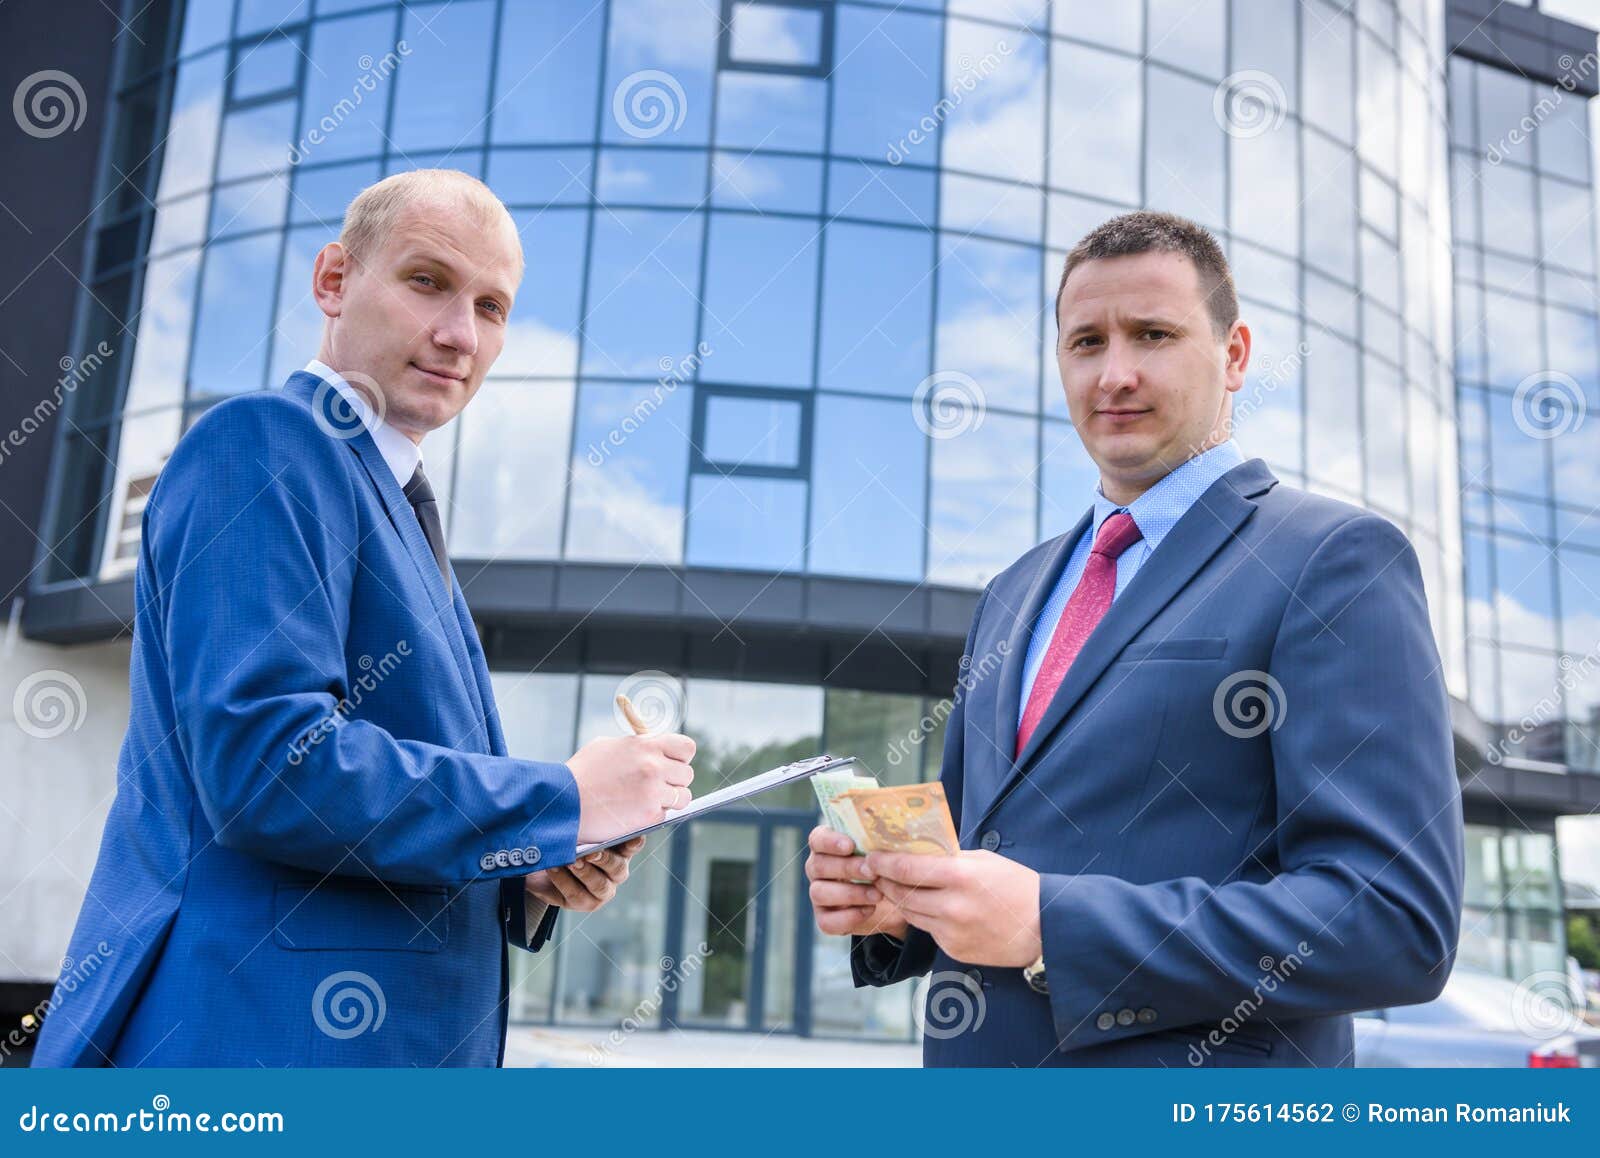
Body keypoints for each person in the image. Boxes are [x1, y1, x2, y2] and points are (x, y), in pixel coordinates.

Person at [32, 170, 692, 1067]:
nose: (461, 335)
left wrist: (535, 860)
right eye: (428, 282)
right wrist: (560, 797)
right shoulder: (266, 443)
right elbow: (270, 766)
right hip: (251, 1046)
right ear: (334, 282)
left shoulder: (393, 504)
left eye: (492, 308)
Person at [806, 210, 1464, 1067]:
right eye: (1086, 343)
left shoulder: (1333, 561)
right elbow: (992, 861)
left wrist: (1055, 924)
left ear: (1233, 357)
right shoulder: (1012, 593)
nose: (1115, 373)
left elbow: (1393, 919)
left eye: (1153, 335)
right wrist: (903, 905)